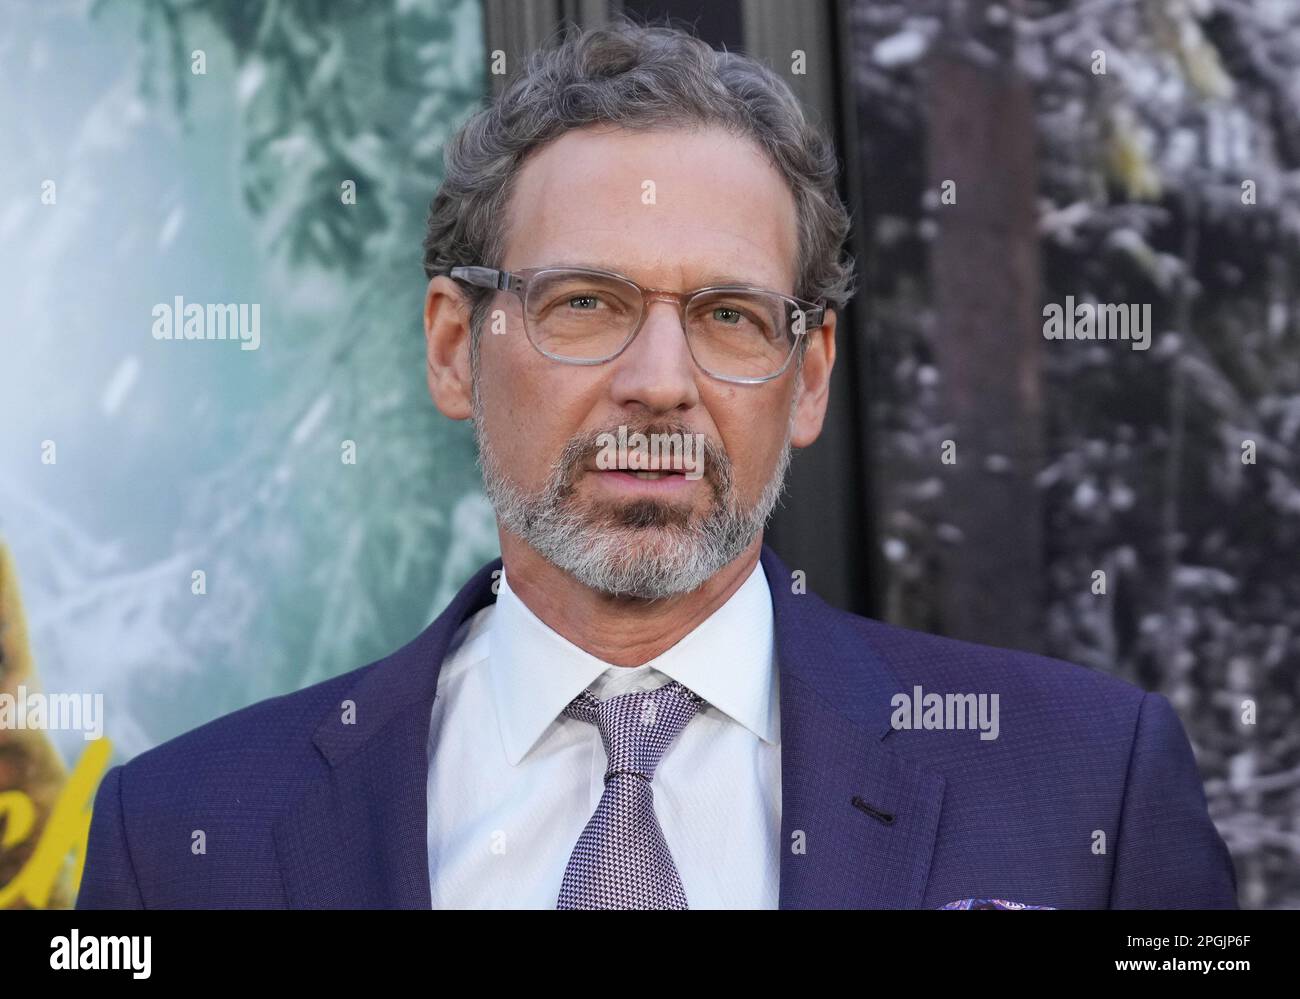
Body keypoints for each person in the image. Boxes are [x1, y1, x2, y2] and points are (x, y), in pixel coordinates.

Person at [77, 17, 1237, 910]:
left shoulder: (1092, 787)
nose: (659, 380)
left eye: (729, 315)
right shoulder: (183, 838)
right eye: (586, 302)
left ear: (810, 374)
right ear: (450, 347)